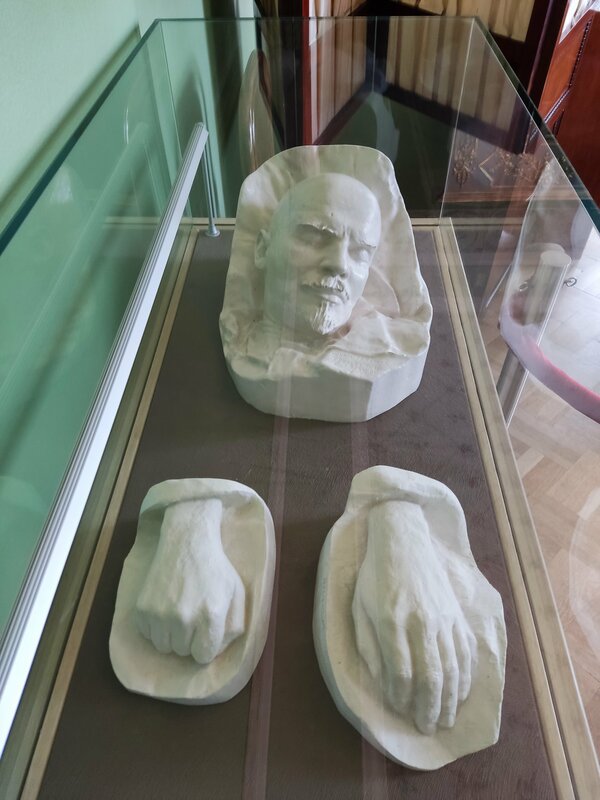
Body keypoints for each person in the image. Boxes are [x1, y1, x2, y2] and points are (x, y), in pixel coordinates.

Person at [254, 172, 382, 342]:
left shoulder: (391, 347)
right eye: (312, 239)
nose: (339, 264)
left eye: (360, 253)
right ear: (263, 250)